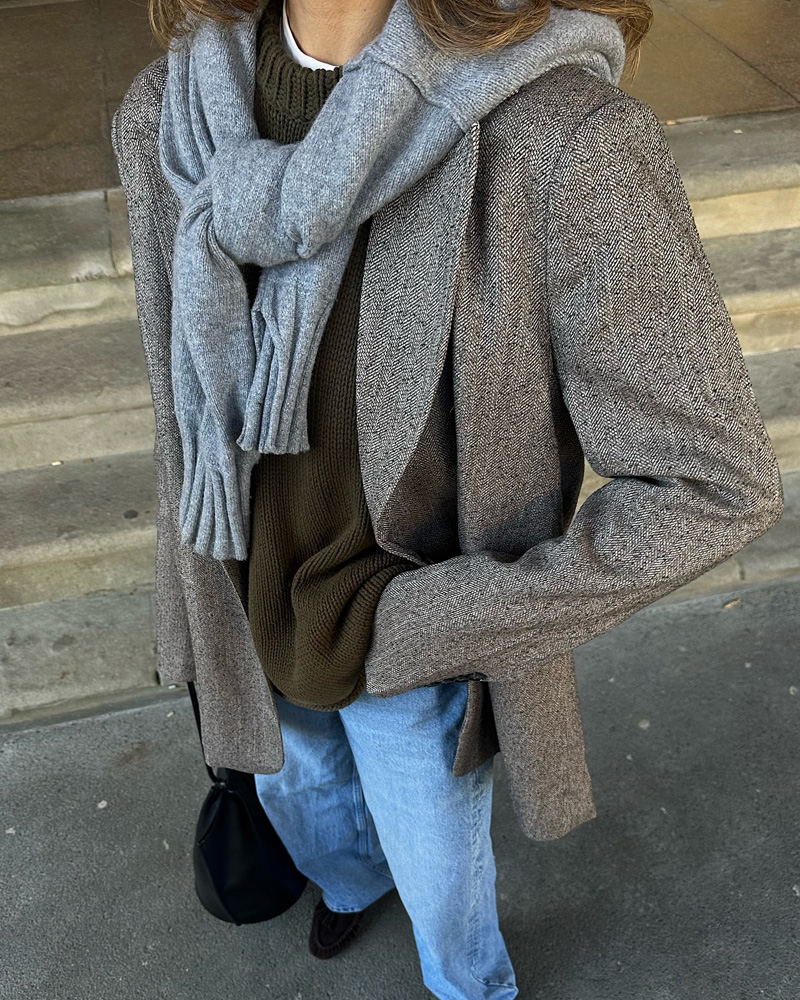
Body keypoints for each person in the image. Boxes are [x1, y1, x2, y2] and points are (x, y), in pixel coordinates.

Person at [112, 0, 783, 996]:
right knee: (314, 817)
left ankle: (471, 982)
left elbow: (713, 485)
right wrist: (193, 596)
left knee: (444, 894)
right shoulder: (172, 108)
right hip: (242, 597)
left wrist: (434, 622)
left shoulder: (555, 136)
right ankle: (345, 887)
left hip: (408, 636)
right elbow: (183, 398)